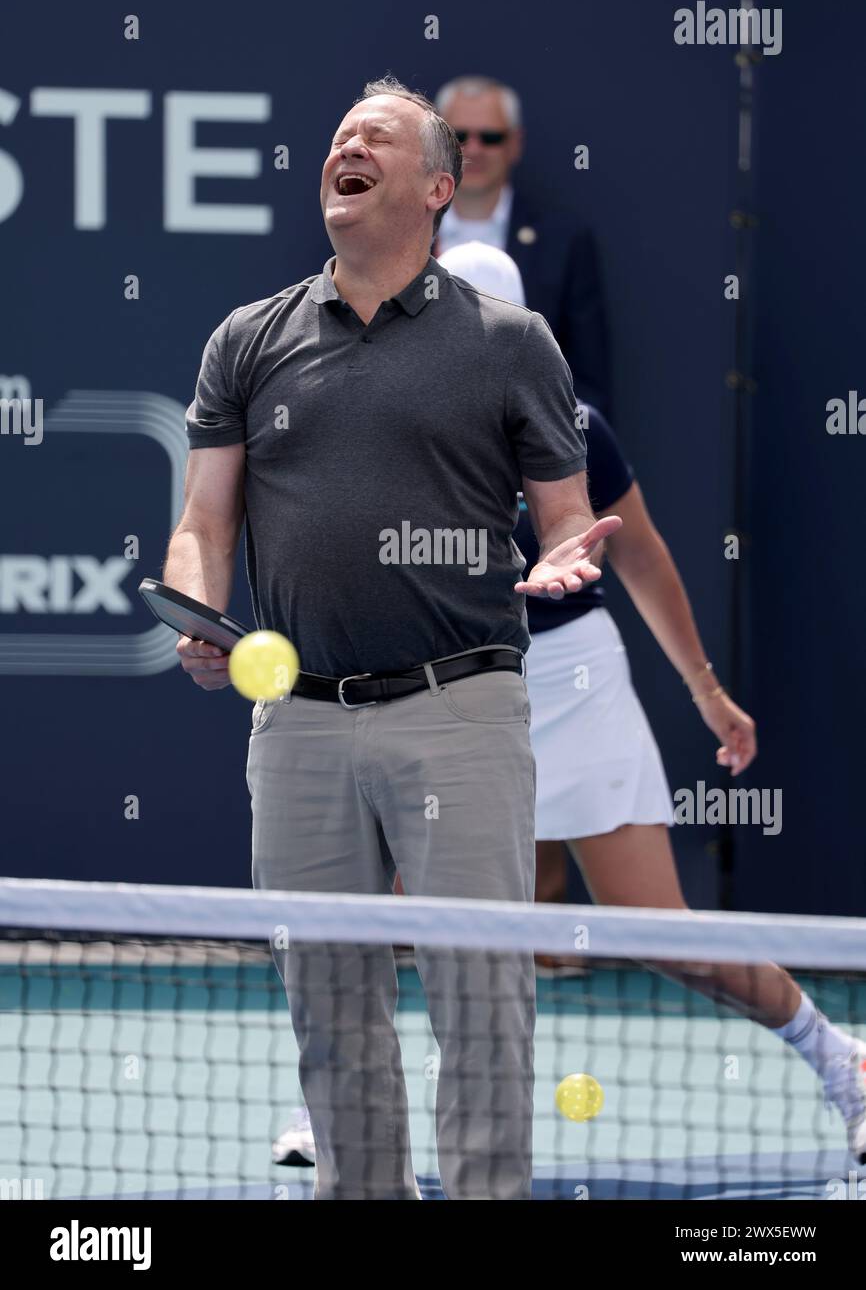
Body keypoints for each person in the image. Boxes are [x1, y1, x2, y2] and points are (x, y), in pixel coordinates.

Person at [273, 242, 866, 1173]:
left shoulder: (573, 421)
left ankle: (847, 1067)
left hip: (573, 685)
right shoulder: (389, 414)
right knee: (385, 917)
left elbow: (643, 557)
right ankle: (350, 1112)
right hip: (451, 688)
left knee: (663, 938)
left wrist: (706, 690)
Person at [166, 79, 620, 1201]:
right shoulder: (247, 340)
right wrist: (200, 615)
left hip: (459, 709)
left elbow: (564, 511)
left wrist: (566, 553)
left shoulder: (512, 345)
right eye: (336, 140)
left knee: (480, 1001)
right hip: (299, 723)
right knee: (330, 1009)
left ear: (435, 186)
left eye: (373, 139)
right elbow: (201, 524)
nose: (345, 150)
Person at [434, 75, 610, 411]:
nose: (473, 149)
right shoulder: (401, 231)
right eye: (458, 136)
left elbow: (589, 380)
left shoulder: (565, 241)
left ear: (515, 144)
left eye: (490, 137)